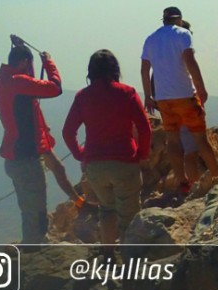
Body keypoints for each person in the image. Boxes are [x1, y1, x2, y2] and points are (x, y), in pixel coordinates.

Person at [61, 50, 151, 242]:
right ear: (115, 70)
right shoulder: (127, 93)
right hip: (124, 162)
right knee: (129, 215)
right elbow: (144, 128)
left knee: (107, 210)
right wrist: (142, 154)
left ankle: (108, 253)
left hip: (95, 165)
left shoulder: (83, 96)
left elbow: (68, 131)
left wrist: (81, 154)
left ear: (91, 72)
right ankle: (130, 258)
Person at [141, 6, 218, 195]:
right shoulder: (183, 34)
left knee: (173, 141)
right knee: (200, 139)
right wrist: (201, 87)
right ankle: (217, 176)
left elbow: (144, 69)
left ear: (164, 20)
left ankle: (183, 182)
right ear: (179, 19)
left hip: (163, 99)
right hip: (185, 95)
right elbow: (190, 61)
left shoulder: (151, 39)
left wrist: (148, 95)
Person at [0, 37, 62, 242]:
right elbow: (55, 88)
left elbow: (29, 82)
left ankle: (30, 246)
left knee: (27, 209)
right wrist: (48, 62)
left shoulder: (2, 80)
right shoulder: (19, 83)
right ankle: (36, 248)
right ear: (24, 62)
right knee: (37, 210)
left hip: (13, 157)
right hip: (27, 159)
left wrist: (21, 48)